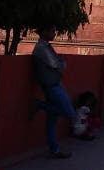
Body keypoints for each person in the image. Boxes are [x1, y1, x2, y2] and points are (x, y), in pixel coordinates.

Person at [31, 25, 76, 159]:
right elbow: (58, 65)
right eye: (52, 31)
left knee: (52, 121)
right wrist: (61, 63)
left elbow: (58, 63)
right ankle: (39, 105)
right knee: (69, 113)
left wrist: (60, 63)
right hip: (51, 85)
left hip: (53, 83)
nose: (54, 33)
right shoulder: (41, 48)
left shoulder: (46, 47)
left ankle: (54, 149)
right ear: (44, 31)